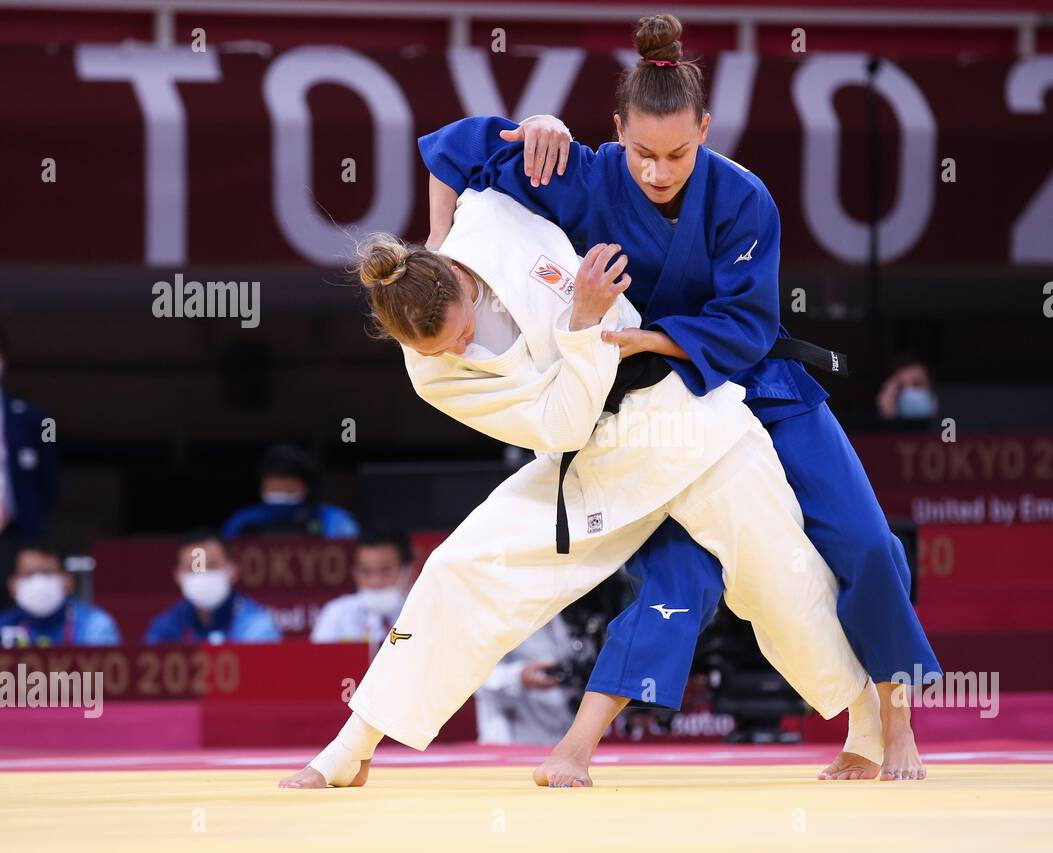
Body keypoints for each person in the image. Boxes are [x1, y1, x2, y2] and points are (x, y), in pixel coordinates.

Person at [416, 13, 939, 783]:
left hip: (759, 384)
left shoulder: (744, 197)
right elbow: (451, 151)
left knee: (866, 542)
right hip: (662, 418)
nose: (660, 171)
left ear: (707, 129)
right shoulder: (579, 171)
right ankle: (574, 751)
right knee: (677, 577)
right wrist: (440, 248)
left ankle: (893, 729)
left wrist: (642, 341)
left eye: (679, 154)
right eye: (643, 153)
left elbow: (746, 321)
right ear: (616, 129)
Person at [278, 185, 881, 789]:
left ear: (460, 279)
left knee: (781, 575)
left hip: (690, 422)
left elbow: (469, 148)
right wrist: (583, 322)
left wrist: (545, 122)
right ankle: (352, 746)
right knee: (459, 567)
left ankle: (868, 726)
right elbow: (562, 425)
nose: (457, 351)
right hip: (592, 464)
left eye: (458, 332)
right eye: (435, 349)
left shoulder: (490, 219)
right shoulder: (430, 375)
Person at [0, 329, 60, 602]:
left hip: (21, 535)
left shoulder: (36, 419)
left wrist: (31, 518)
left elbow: (48, 481)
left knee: (23, 614)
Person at [145, 531, 281, 644]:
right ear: (178, 576)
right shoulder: (164, 627)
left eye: (212, 566)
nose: (202, 575)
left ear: (232, 570)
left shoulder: (257, 627)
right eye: (193, 568)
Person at [475, 616, 577, 745]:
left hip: (564, 737)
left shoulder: (568, 613)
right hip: (511, 742)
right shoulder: (493, 614)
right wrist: (519, 676)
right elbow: (477, 679)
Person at [222, 444, 359, 539]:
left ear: (307, 488)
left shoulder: (336, 521)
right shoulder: (242, 522)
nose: (280, 495)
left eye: (288, 490)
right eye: (273, 490)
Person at [0, 543, 120, 647]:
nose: (39, 582)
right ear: (12, 584)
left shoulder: (95, 625)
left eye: (47, 573)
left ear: (68, 581)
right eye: (29, 574)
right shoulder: (3, 626)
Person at [311, 529, 412, 644]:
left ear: (407, 571)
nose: (376, 582)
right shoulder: (337, 614)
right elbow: (319, 659)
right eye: (366, 571)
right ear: (355, 574)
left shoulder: (422, 612)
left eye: (386, 571)